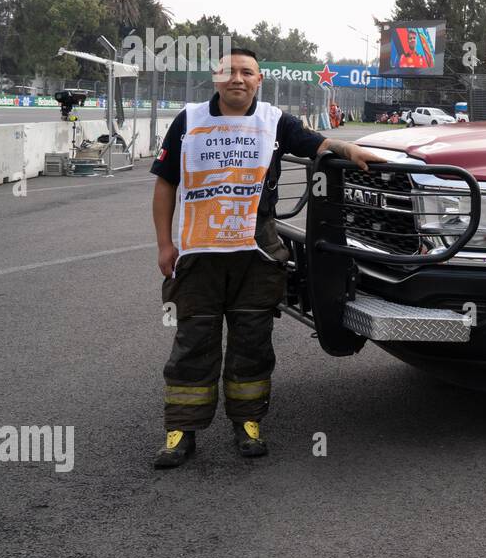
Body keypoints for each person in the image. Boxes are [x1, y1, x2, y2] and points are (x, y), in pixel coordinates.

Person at [149, 48, 383, 469]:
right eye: (229, 71)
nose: (237, 78)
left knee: (252, 342)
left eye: (246, 72)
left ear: (259, 81)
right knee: (192, 343)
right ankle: (181, 430)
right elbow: (165, 185)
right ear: (215, 79)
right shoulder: (188, 120)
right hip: (200, 251)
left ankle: (248, 423)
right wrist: (165, 245)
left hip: (257, 251)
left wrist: (349, 151)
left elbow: (318, 143)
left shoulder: (275, 121)